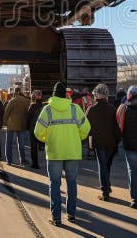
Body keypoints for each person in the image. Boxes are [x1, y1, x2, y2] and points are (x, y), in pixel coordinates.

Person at [34, 82, 90, 226]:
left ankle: (56, 218)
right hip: (72, 151)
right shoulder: (75, 108)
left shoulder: (47, 110)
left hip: (54, 153)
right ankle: (71, 214)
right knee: (71, 182)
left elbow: (38, 132)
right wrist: (76, 138)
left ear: (53, 95)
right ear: (65, 94)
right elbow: (86, 128)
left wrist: (48, 139)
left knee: (54, 184)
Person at [86, 83, 120, 201]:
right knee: (107, 166)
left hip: (98, 143)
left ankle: (105, 191)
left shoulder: (91, 109)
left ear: (96, 95)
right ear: (106, 96)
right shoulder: (112, 109)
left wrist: (89, 141)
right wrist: (117, 141)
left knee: (102, 166)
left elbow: (86, 127)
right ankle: (107, 187)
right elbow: (117, 128)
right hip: (111, 143)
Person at [3, 87, 31, 166]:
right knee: (21, 143)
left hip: (11, 124)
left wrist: (4, 122)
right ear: (21, 92)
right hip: (21, 124)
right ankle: (23, 160)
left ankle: (9, 161)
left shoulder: (12, 101)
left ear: (15, 93)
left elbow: (7, 112)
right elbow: (28, 112)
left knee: (8, 143)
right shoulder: (27, 101)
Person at [27, 90, 45, 169]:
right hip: (43, 127)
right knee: (45, 145)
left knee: (33, 146)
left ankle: (35, 164)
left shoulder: (32, 106)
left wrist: (27, 127)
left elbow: (28, 118)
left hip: (33, 128)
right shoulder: (44, 106)